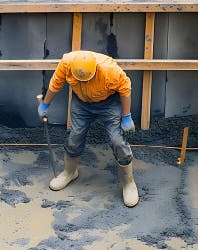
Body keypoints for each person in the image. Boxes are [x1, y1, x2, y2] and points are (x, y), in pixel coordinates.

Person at [38, 50, 139, 207]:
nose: (84, 82)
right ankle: (70, 172)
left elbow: (125, 89)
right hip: (81, 103)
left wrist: (126, 116)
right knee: (75, 137)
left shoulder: (110, 70)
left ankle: (128, 183)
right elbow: (55, 84)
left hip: (109, 103)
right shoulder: (67, 63)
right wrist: (45, 104)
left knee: (117, 141)